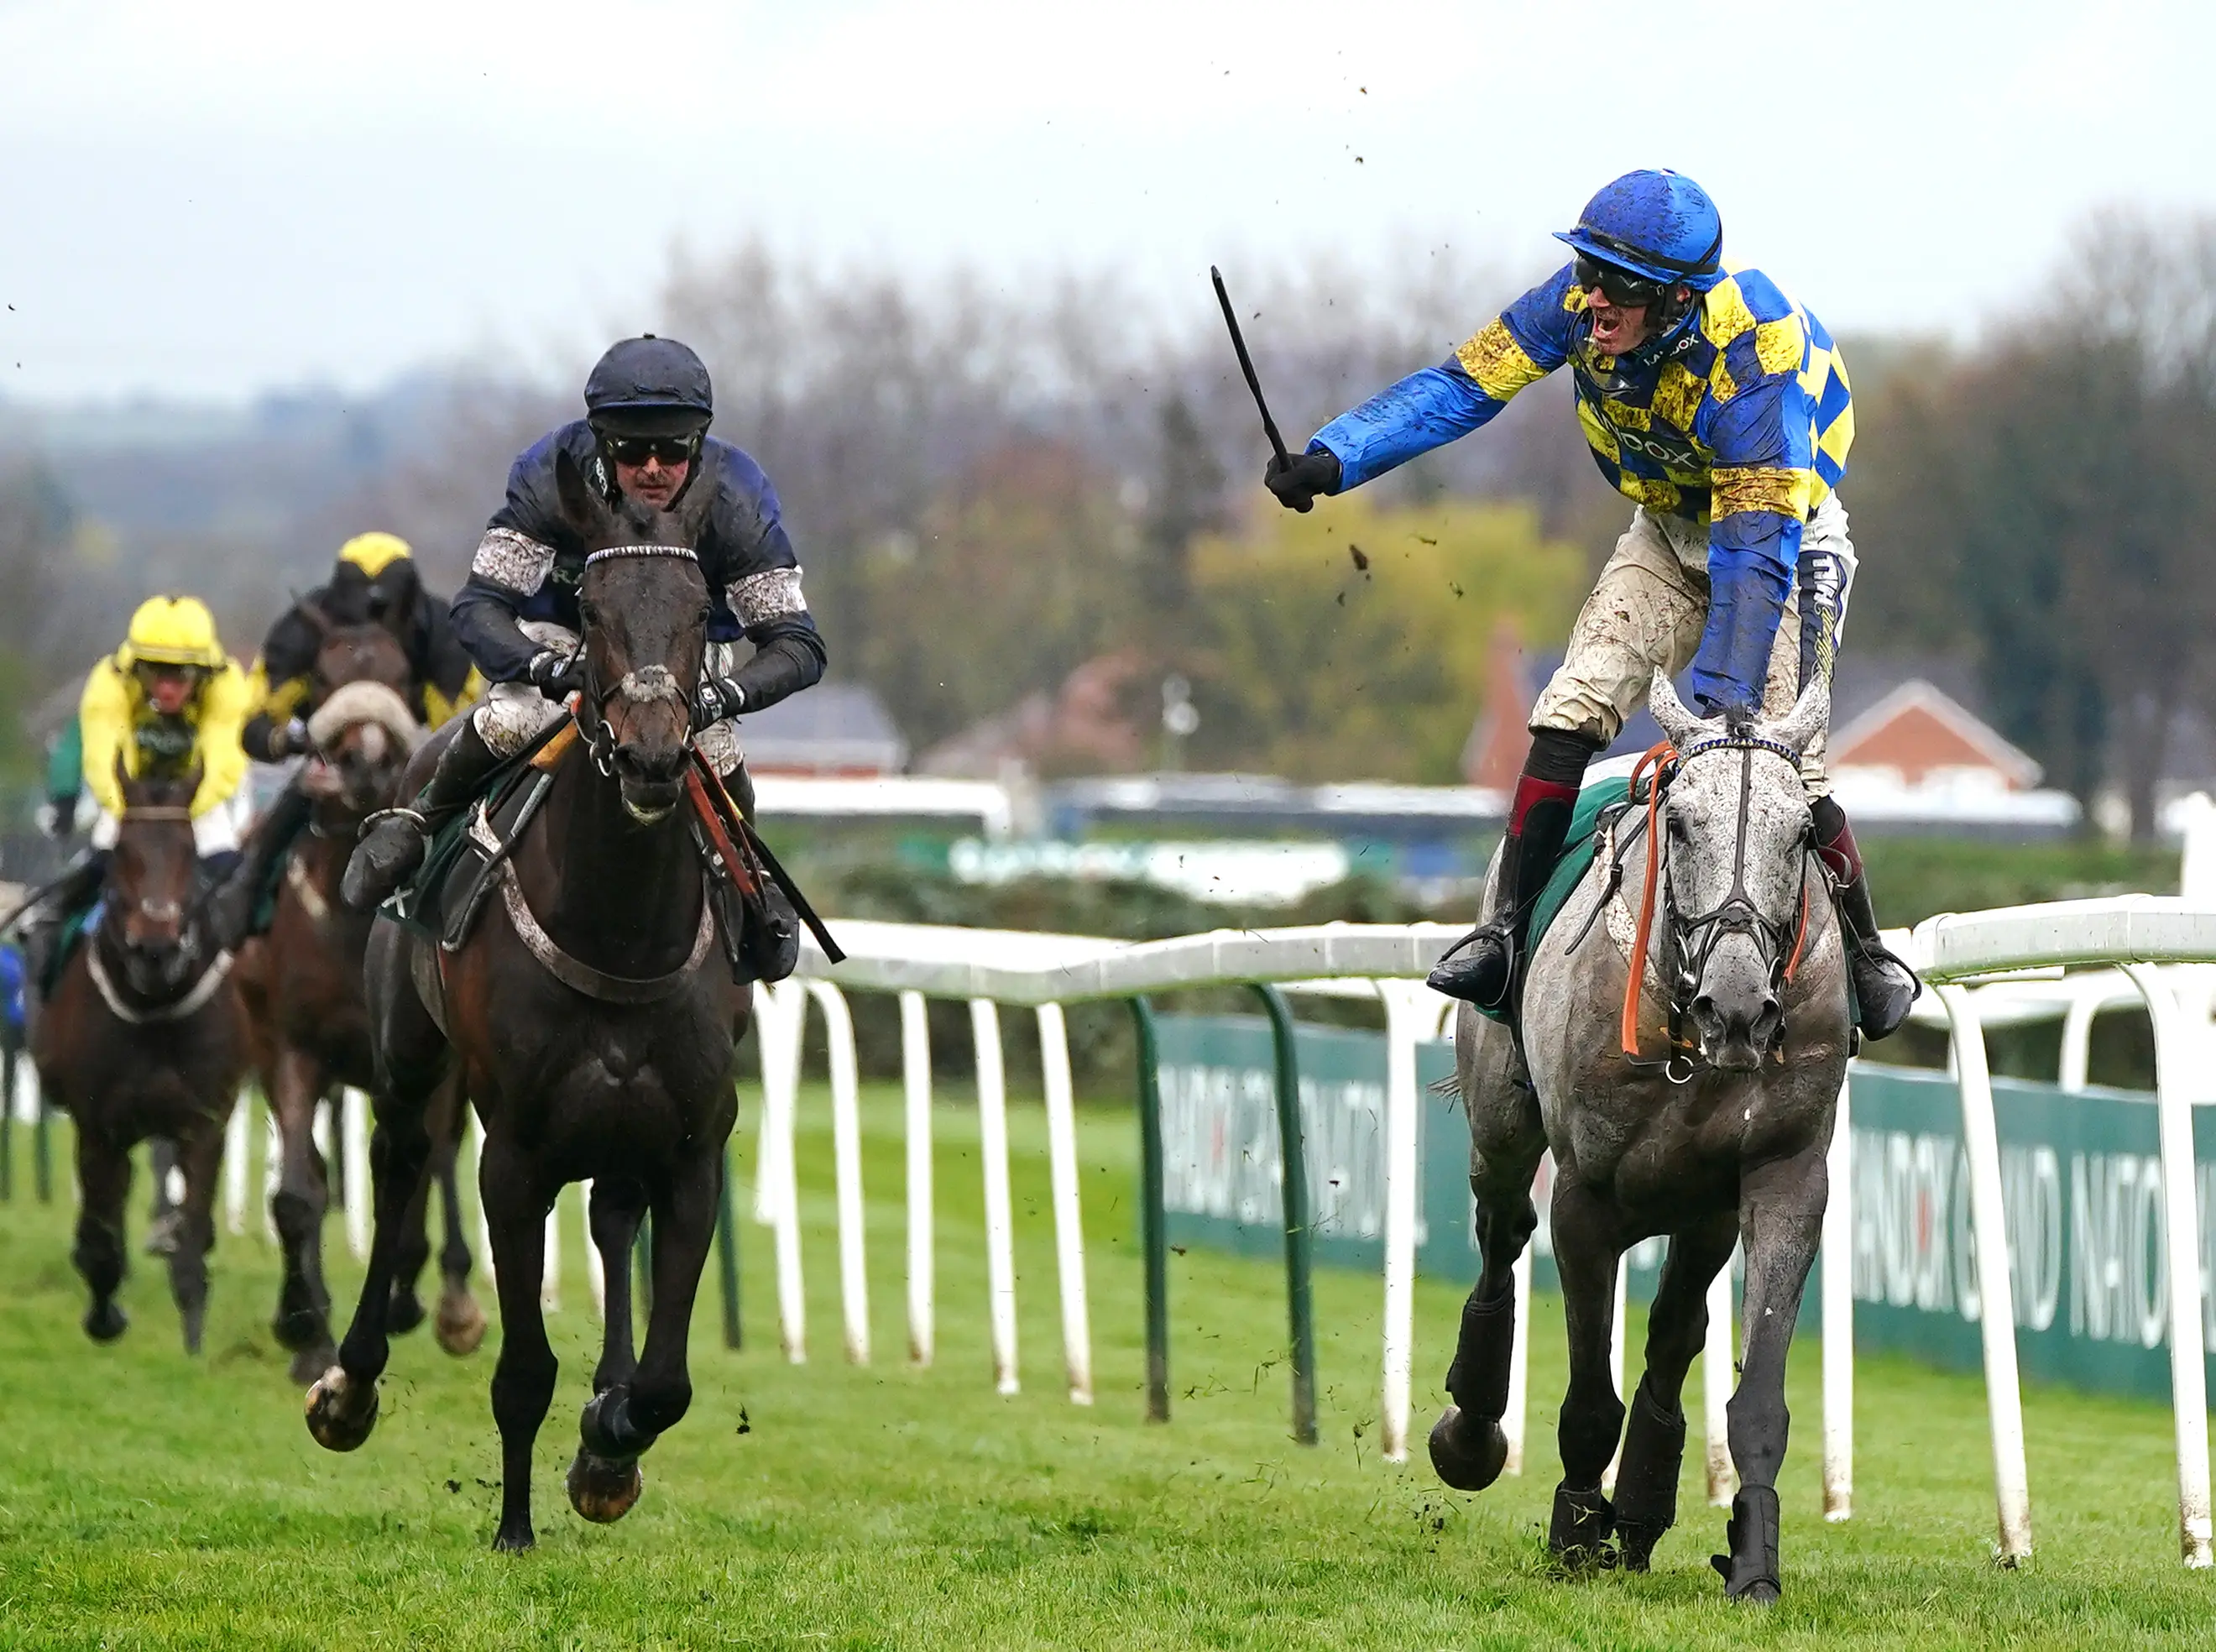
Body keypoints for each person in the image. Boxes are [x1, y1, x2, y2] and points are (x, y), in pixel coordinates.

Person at [1264, 170, 1916, 1038]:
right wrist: (1334, 459)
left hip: (1781, 537)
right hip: (1666, 527)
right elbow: (1464, 385)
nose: (1594, 298)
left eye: (1620, 286)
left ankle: (1867, 956)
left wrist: (1720, 711)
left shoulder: (1755, 367)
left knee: (1769, 761)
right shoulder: (1575, 302)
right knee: (1569, 706)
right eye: (1588, 271)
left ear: (1679, 299)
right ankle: (1503, 937)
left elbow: (1753, 561)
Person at [342, 334, 827, 911]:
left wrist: (723, 696)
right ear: (599, 443)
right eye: (630, 451)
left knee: (715, 745)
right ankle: (421, 823)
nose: (651, 468)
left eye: (671, 451)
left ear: (698, 445)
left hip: (683, 644)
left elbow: (798, 642)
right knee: (512, 719)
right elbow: (478, 606)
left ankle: (749, 882)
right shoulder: (550, 476)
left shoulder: (737, 498)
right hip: (568, 633)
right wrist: (541, 667)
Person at [205, 531, 479, 947]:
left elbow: (466, 721)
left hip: (412, 765)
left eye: (383, 604)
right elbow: (256, 721)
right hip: (326, 768)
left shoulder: (440, 632)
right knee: (279, 821)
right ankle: (243, 904)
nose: (372, 613)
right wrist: (287, 741)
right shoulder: (299, 632)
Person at [18, 596, 250, 991]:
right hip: (131, 797)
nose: (167, 687)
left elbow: (224, 760)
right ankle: (51, 925)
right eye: (155, 673)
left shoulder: (228, 684)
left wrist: (181, 812)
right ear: (136, 668)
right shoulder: (109, 681)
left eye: (181, 676)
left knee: (229, 869)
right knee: (102, 858)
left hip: (194, 797)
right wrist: (128, 811)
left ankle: (249, 968)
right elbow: (101, 756)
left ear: (202, 673)